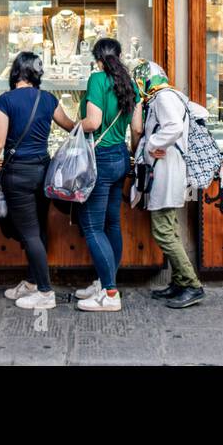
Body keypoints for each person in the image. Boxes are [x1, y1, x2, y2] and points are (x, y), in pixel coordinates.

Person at [0, 51, 76, 310]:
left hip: (18, 174)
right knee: (38, 230)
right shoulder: (48, 99)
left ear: (16, 72)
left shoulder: (6, 101)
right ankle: (34, 282)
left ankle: (45, 293)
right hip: (42, 172)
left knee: (29, 233)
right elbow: (70, 126)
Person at [74, 37, 142, 312]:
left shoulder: (97, 79)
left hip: (99, 159)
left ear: (97, 58)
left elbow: (93, 122)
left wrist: (73, 128)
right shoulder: (131, 84)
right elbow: (136, 128)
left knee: (92, 227)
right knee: (112, 224)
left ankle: (110, 294)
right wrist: (133, 156)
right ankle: (105, 282)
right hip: (120, 158)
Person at [133, 61, 206, 309]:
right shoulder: (169, 96)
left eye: (139, 82)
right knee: (171, 228)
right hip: (168, 170)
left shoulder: (164, 98)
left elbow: (173, 127)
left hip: (167, 172)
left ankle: (192, 284)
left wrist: (153, 144)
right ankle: (179, 283)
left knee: (163, 230)